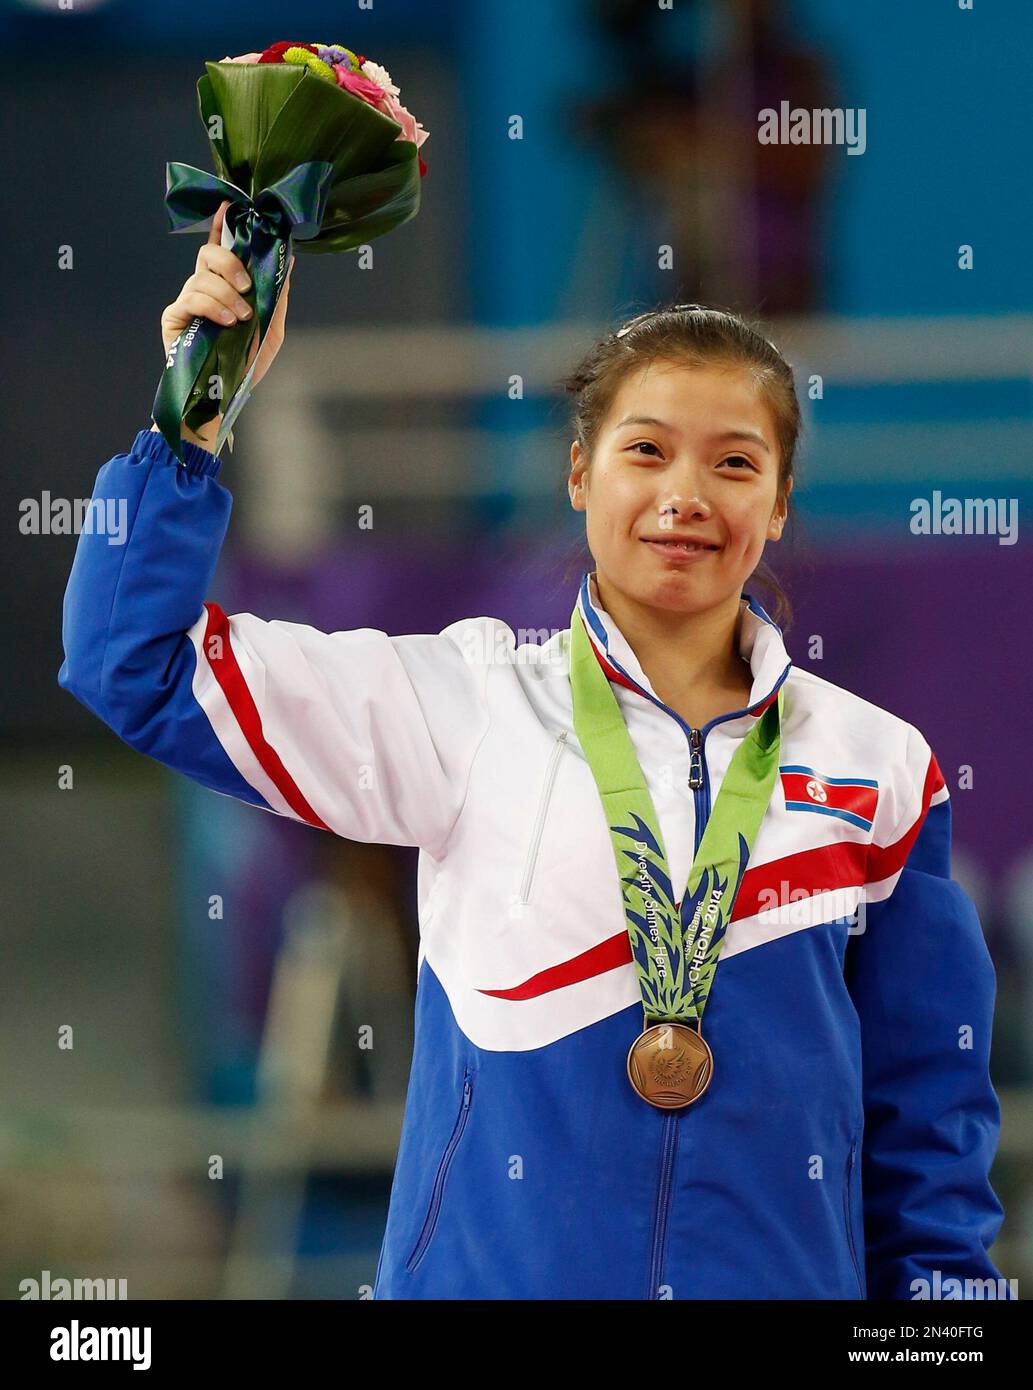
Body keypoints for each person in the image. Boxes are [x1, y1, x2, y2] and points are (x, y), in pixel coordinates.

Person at [58, 202, 1012, 1302]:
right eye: (644, 450)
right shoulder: (463, 702)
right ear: (578, 474)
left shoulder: (880, 767)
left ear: (781, 503)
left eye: (735, 463)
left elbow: (927, 1125)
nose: (684, 497)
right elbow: (131, 660)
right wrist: (197, 403)